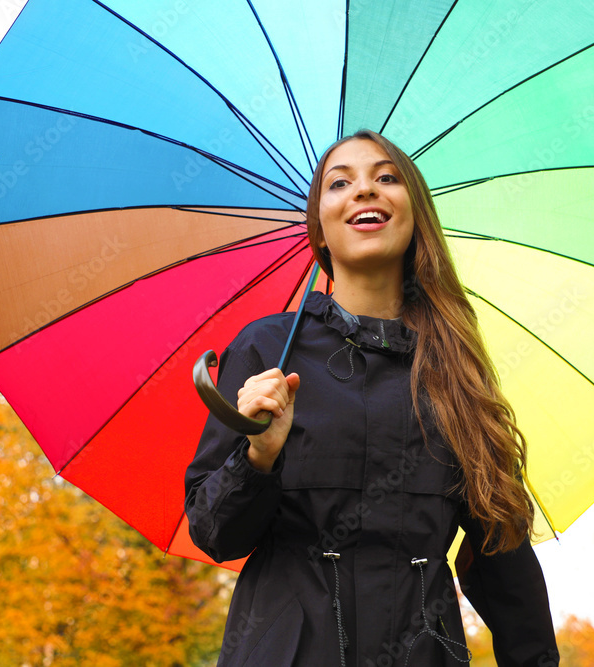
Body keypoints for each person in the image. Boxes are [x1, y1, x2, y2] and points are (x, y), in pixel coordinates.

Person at [185, 130, 558, 666]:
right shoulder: (267, 351)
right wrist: (258, 457)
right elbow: (215, 533)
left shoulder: (457, 371)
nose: (364, 190)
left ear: (414, 213)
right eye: (340, 183)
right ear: (319, 228)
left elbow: (503, 556)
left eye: (386, 177)